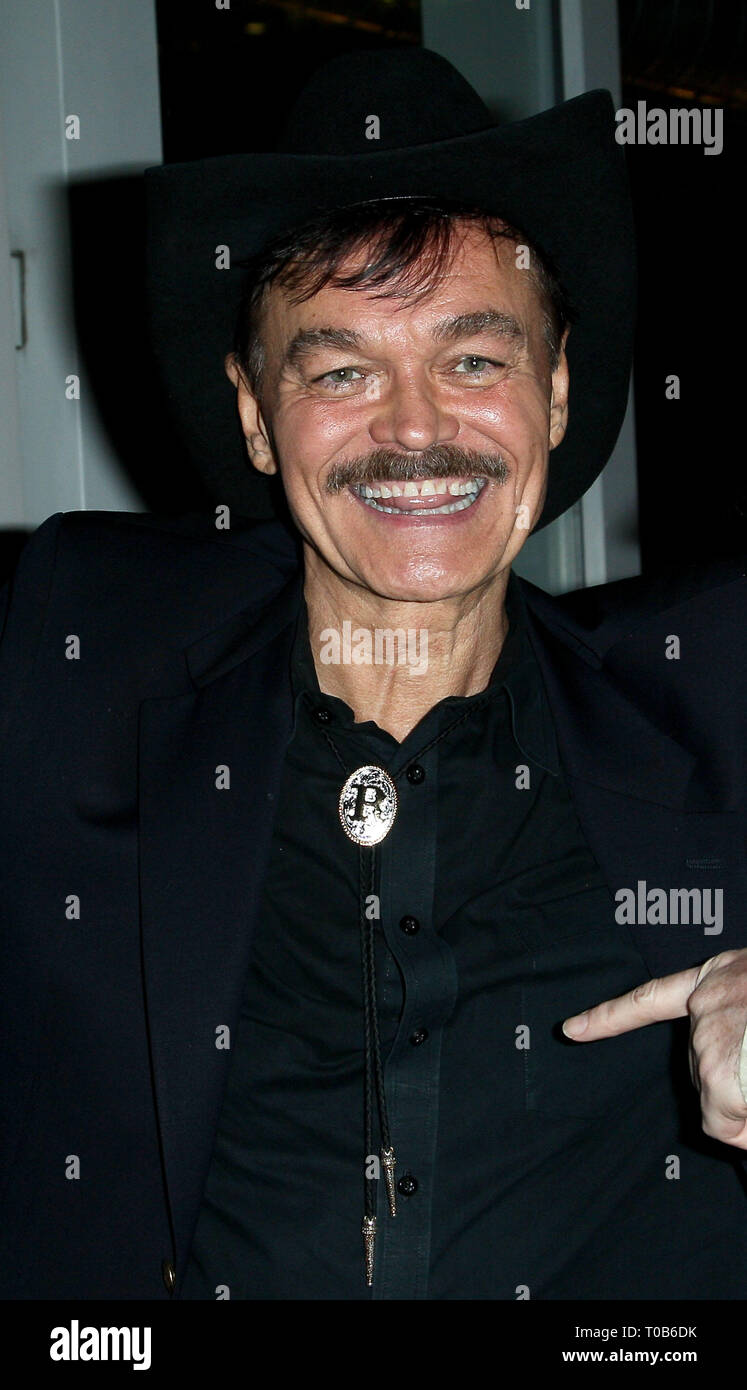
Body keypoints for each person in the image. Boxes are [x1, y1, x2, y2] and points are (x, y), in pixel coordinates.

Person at [1, 48, 745, 1302]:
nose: (412, 428)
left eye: (473, 358)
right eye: (342, 370)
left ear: (555, 393)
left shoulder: (715, 707)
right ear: (252, 413)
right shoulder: (74, 665)